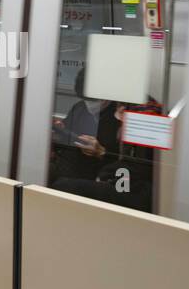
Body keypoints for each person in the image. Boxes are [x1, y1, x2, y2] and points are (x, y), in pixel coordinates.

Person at [49, 66, 158, 212]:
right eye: (85, 99)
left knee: (62, 186)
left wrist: (102, 152)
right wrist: (59, 134)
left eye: (93, 99)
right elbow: (69, 137)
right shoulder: (80, 108)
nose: (89, 104)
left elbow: (136, 170)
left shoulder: (139, 113)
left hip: (116, 181)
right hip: (79, 168)